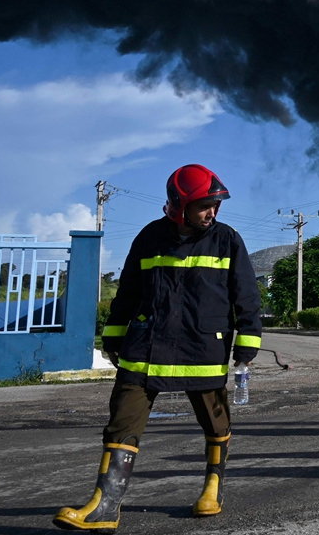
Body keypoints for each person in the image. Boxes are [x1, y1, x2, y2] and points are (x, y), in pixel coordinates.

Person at [54, 164, 262, 532]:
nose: (212, 212)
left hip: (203, 350)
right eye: (204, 205)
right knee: (121, 420)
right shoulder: (150, 237)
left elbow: (246, 296)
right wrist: (113, 337)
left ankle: (212, 489)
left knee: (216, 423)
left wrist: (246, 344)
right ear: (180, 205)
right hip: (146, 350)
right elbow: (129, 292)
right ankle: (105, 507)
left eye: (216, 204)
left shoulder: (227, 239)